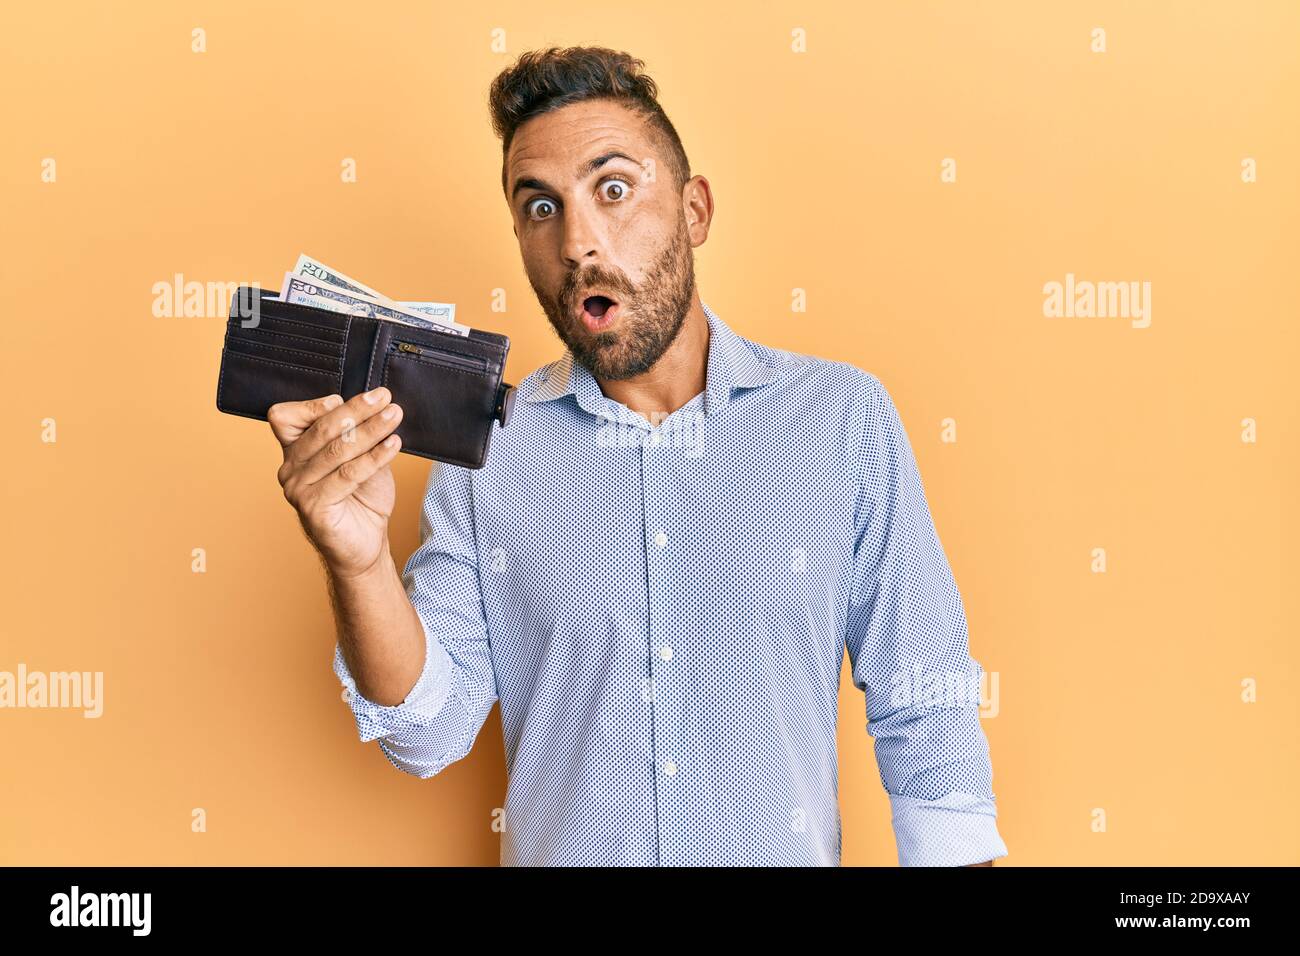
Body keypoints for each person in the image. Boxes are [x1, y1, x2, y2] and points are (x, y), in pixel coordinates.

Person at [268, 46, 1008, 867]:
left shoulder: (841, 420)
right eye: (540, 208)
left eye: (613, 189)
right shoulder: (492, 450)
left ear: (694, 211)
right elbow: (427, 734)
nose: (580, 242)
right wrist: (358, 560)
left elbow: (926, 707)